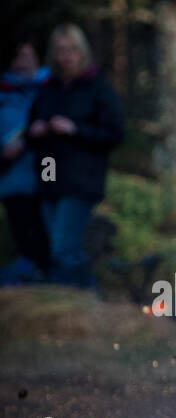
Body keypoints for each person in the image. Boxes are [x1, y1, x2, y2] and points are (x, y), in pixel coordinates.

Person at [26, 24, 123, 289]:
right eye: (60, 51)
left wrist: (76, 128)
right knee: (57, 248)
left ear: (81, 52)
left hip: (81, 180)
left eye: (71, 50)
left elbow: (115, 133)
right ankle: (75, 304)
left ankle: (84, 303)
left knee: (64, 247)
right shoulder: (47, 88)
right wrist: (34, 131)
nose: (66, 56)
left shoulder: (97, 87)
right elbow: (30, 127)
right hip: (49, 178)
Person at [0, 36, 50, 283]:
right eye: (19, 57)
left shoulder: (51, 86)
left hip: (46, 174)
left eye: (29, 56)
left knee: (47, 234)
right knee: (21, 232)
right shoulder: (3, 93)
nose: (23, 62)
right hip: (11, 177)